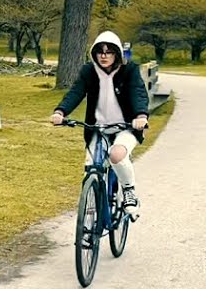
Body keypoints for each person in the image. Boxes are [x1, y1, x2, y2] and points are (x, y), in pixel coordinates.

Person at [49, 30, 150, 216]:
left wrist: (141, 116)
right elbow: (76, 92)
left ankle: (129, 191)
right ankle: (90, 216)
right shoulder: (88, 71)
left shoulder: (129, 70)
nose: (104, 56)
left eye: (109, 51)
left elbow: (138, 93)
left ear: (117, 53)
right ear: (94, 53)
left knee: (116, 155)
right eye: (100, 51)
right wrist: (60, 111)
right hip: (98, 128)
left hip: (125, 126)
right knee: (90, 168)